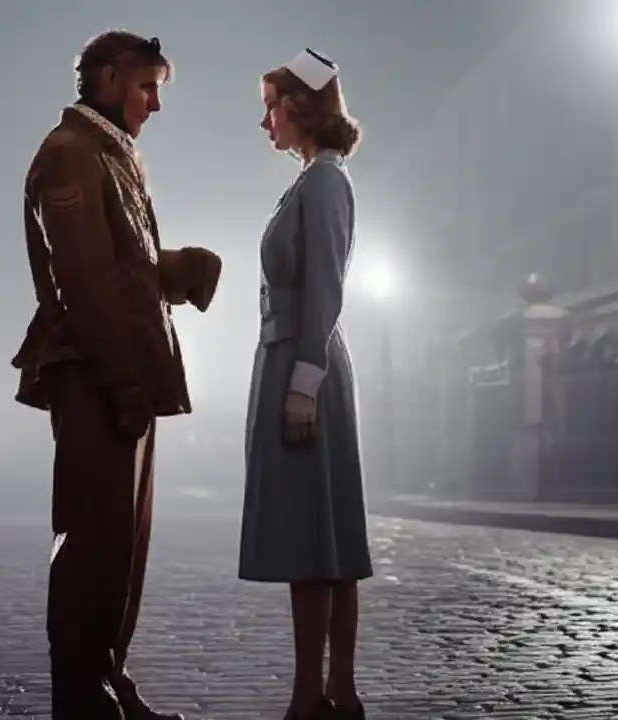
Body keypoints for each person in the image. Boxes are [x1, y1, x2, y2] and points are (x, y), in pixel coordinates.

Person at [10, 29, 223, 720]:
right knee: (90, 544)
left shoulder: (109, 151)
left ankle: (107, 681)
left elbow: (119, 268)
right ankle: (81, 697)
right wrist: (124, 384)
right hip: (97, 373)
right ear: (107, 79)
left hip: (122, 371)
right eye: (146, 87)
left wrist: (176, 270)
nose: (155, 104)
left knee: (122, 546)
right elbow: (83, 284)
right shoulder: (70, 154)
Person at [238, 48, 373, 720]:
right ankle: (331, 693)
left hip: (304, 361)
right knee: (324, 535)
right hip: (296, 358)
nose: (265, 121)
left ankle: (314, 694)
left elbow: (325, 288)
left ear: (299, 107)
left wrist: (303, 384)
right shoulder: (309, 180)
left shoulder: (322, 183)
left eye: (271, 106)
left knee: (315, 538)